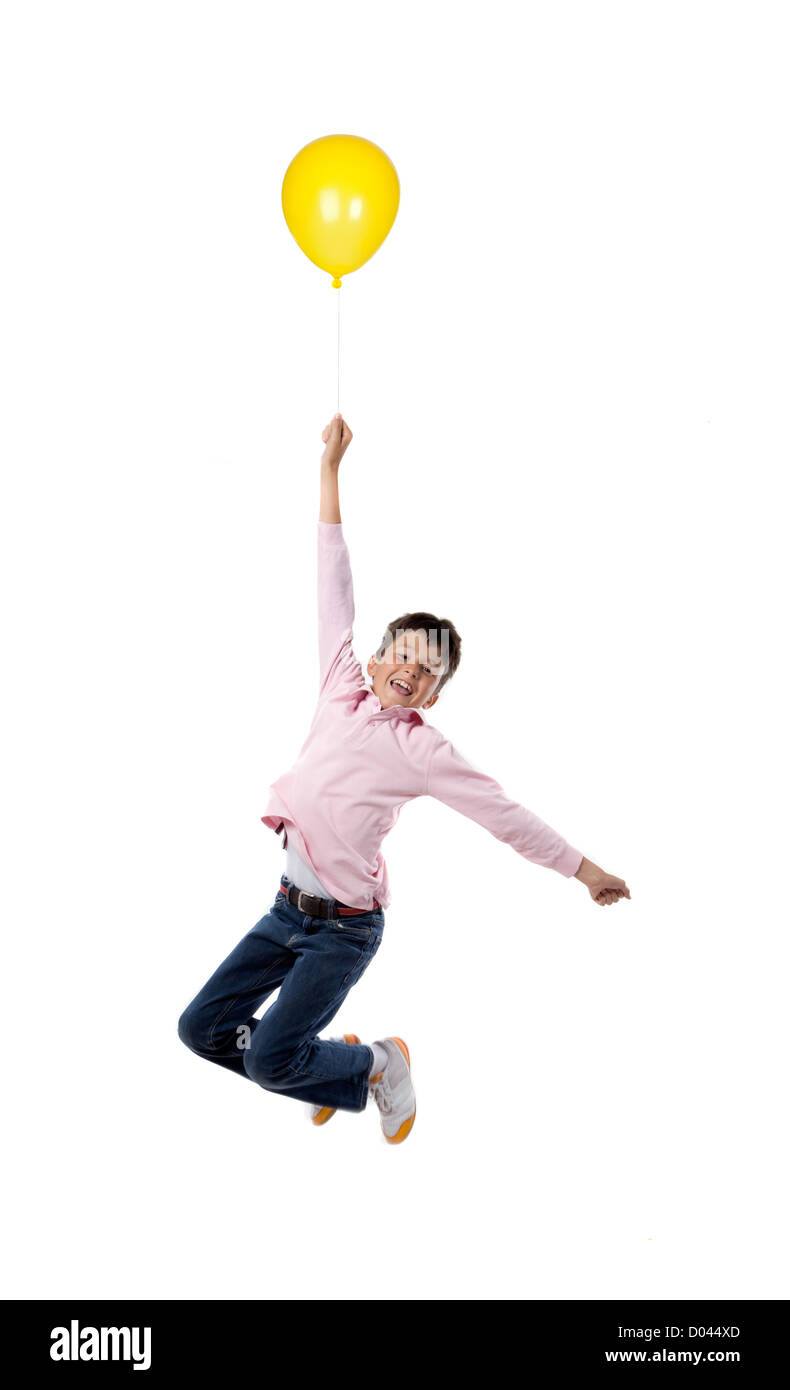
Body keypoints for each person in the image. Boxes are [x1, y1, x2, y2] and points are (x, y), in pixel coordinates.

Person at [177, 414, 631, 1145]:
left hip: (344, 933)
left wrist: (584, 871)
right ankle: (327, 1065)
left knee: (268, 1061)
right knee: (200, 1030)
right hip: (285, 911)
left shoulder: (423, 751)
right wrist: (330, 471)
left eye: (429, 671)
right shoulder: (339, 682)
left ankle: (377, 1065)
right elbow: (333, 581)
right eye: (406, 655)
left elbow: (504, 815)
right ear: (381, 653)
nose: (412, 671)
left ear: (434, 694)